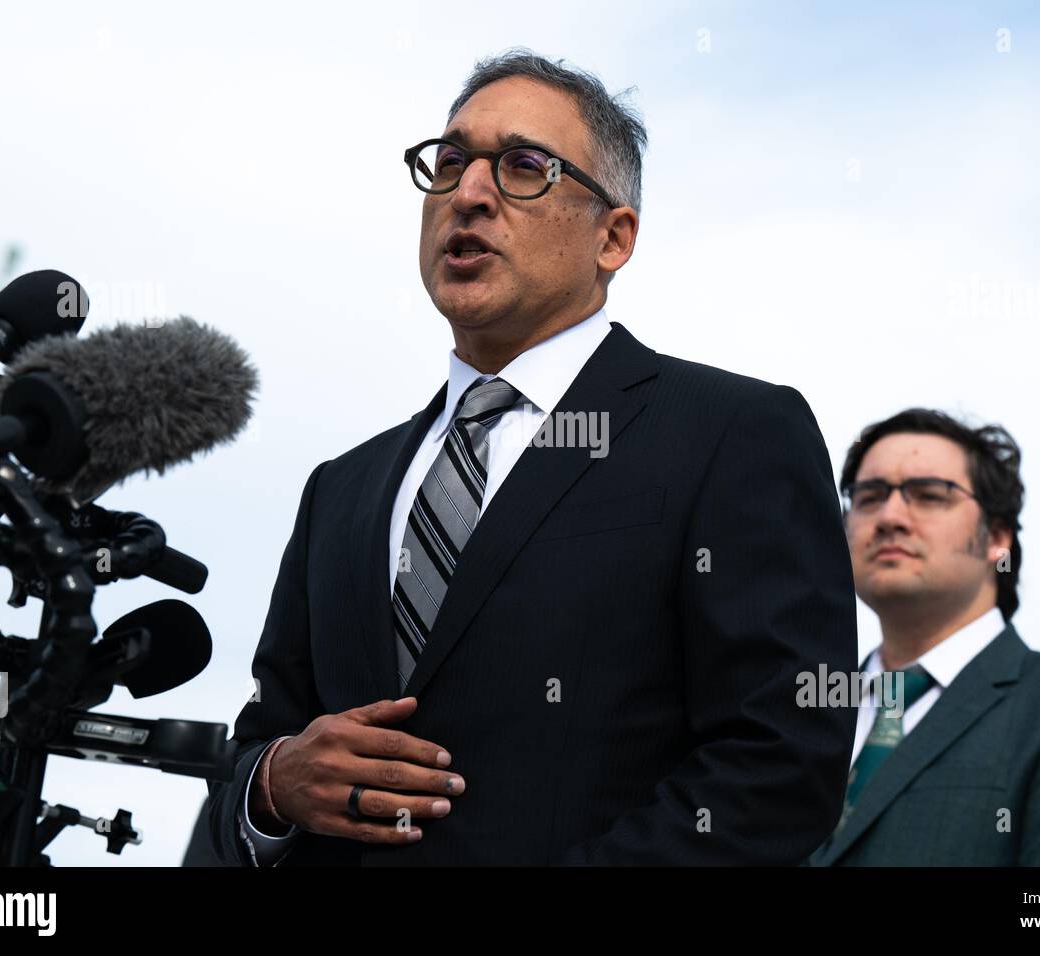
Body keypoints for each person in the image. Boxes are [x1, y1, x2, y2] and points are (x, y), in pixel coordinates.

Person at [203, 48, 857, 866]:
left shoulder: (733, 432)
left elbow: (780, 761)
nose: (469, 193)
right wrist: (271, 787)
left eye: (522, 167)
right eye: (449, 162)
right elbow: (251, 760)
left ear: (613, 237)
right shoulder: (342, 489)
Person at [808, 408, 1040, 866]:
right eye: (869, 496)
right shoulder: (795, 707)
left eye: (928, 495)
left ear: (997, 537)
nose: (890, 516)